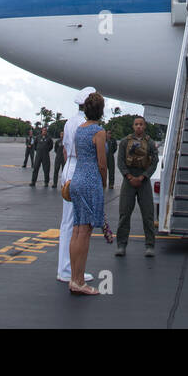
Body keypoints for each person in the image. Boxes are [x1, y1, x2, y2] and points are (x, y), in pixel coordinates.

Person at [67, 92, 109, 296]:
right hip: (90, 181)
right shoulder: (99, 132)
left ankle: (73, 278)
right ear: (100, 110)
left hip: (77, 179)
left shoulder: (79, 130)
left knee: (77, 230)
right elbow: (102, 163)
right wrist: (104, 182)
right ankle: (79, 281)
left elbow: (78, 154)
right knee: (85, 232)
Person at [57, 94, 94, 286]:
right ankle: (69, 270)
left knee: (67, 222)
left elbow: (65, 150)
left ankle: (65, 268)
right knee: (77, 224)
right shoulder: (85, 124)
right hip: (79, 168)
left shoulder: (69, 122)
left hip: (68, 167)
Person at [115, 116, 158, 257]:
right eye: (136, 124)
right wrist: (129, 176)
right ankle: (121, 245)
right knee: (124, 214)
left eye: (141, 124)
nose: (139, 126)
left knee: (148, 215)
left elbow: (154, 162)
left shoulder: (150, 143)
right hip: (128, 180)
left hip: (143, 180)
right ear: (133, 126)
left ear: (144, 126)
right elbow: (120, 161)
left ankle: (150, 245)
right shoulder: (125, 142)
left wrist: (143, 177)